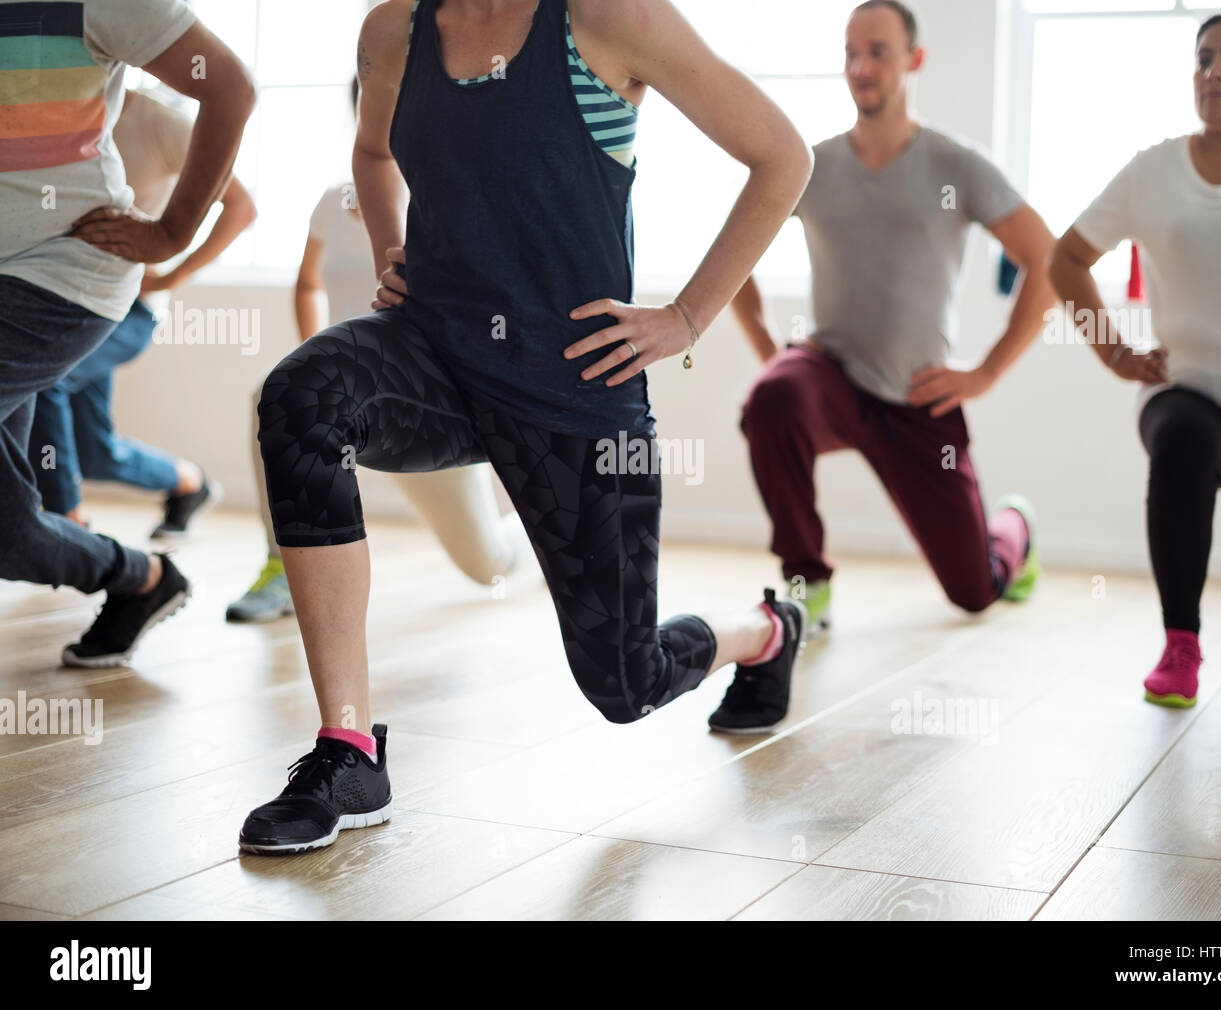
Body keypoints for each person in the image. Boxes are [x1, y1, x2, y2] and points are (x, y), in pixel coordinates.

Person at [238, 0, 815, 855]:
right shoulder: (393, 29)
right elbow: (371, 150)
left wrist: (688, 319)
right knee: (301, 396)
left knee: (626, 682)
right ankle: (348, 749)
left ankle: (767, 631)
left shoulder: (610, 19)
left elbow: (782, 158)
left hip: (574, 384)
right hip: (431, 351)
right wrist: (394, 249)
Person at [732, 0, 1057, 639]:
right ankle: (807, 582)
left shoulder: (956, 164)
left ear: (915, 60)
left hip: (917, 396)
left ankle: (1014, 529)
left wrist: (986, 373)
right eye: (851, 53)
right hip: (829, 373)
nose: (861, 66)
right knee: (772, 397)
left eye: (878, 51)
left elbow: (1045, 262)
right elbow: (735, 257)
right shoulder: (809, 165)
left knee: (973, 593)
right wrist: (772, 349)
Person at [1050, 9, 1221, 708]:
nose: (1214, 72)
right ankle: (1180, 645)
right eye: (1203, 58)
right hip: (1185, 391)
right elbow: (1065, 257)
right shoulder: (1153, 170)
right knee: (1183, 439)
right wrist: (1115, 354)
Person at [0, 0, 254, 668]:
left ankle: (164, 491)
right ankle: (140, 579)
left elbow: (229, 84)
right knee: (8, 535)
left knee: (88, 440)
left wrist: (172, 234)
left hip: (63, 275)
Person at [227, 78, 531, 623]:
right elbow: (307, 285)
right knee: (268, 397)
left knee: (489, 565)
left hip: (423, 401)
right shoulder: (333, 201)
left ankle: (545, 540)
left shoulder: (457, 199)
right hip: (350, 388)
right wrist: (312, 364)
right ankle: (280, 567)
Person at [26, 88, 253, 539]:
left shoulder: (160, 123)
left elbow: (241, 208)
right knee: (94, 453)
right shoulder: (47, 116)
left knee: (45, 377)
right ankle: (191, 484)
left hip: (131, 310)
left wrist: (168, 277)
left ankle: (66, 526)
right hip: (70, 302)